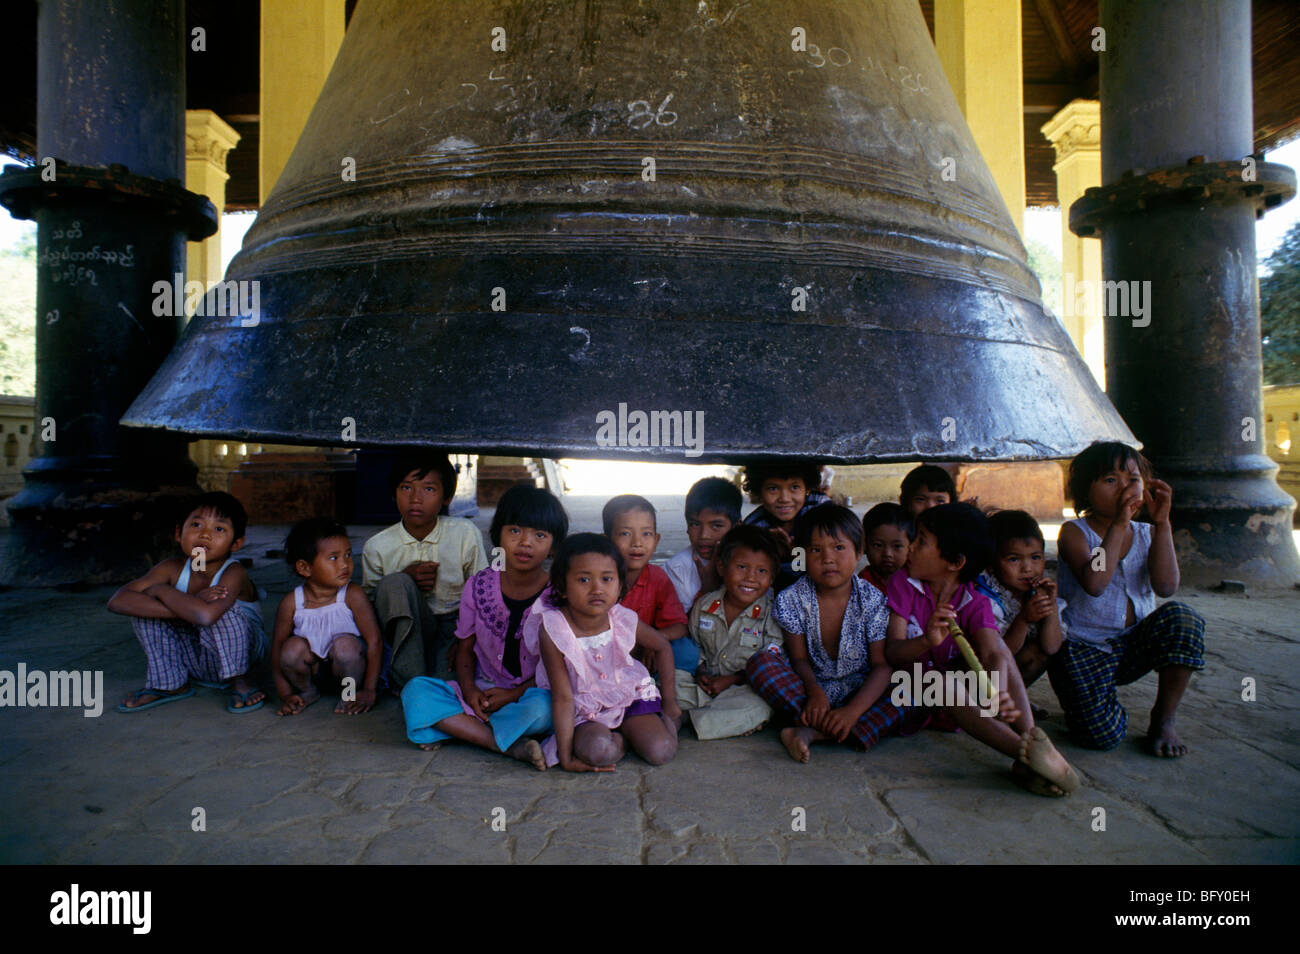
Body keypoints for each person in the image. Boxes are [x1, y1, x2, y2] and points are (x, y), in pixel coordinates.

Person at [884, 503, 1080, 796]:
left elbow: (993, 653)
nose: (909, 547)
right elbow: (892, 653)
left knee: (999, 649)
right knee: (945, 684)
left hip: (960, 702)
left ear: (954, 562)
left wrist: (994, 692)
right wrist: (926, 641)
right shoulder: (904, 583)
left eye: (921, 541)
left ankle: (1032, 737)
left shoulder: (974, 602)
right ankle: (1026, 754)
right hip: (906, 692)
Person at [1051, 442, 1205, 757]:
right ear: (1084, 491)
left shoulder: (1148, 532)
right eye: (1110, 480)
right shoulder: (1074, 532)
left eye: (1132, 479)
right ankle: (1092, 701)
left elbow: (1166, 586)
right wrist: (1119, 524)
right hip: (1085, 647)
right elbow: (1095, 583)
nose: (1124, 488)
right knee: (1101, 737)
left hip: (1133, 644)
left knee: (1183, 619)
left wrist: (1162, 523)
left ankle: (1163, 718)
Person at [400, 485, 567, 769]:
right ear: (498, 533)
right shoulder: (477, 586)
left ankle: (465, 730)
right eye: (515, 531)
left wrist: (513, 695)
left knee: (545, 709)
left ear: (553, 546)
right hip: (482, 690)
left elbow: (558, 666)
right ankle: (507, 745)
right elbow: (465, 649)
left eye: (539, 535)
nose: (525, 542)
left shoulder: (558, 596)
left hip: (529, 693)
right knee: (416, 691)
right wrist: (469, 692)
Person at [745, 504, 905, 763]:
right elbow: (798, 660)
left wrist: (853, 711)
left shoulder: (873, 600)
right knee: (760, 664)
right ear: (801, 554)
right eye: (816, 550)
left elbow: (881, 666)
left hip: (860, 690)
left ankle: (813, 732)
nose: (827, 558)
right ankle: (836, 726)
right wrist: (815, 693)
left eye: (839, 547)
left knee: (912, 690)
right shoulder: (792, 599)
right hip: (810, 693)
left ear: (859, 549)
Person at [524, 533, 680, 771]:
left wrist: (670, 703)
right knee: (599, 751)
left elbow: (662, 646)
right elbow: (563, 696)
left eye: (607, 579)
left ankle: (660, 723)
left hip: (630, 696)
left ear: (620, 585)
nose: (597, 588)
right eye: (584, 580)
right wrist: (566, 757)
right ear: (562, 587)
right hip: (585, 709)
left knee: (661, 751)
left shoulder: (622, 618)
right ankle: (626, 738)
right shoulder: (553, 628)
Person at [110, 492, 266, 714]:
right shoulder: (171, 568)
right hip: (198, 659)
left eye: (219, 529)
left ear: (236, 543)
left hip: (242, 655)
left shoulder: (234, 572)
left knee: (221, 609)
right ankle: (170, 684)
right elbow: (119, 601)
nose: (204, 535)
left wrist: (162, 591)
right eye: (196, 525)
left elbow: (206, 616)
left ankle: (241, 682)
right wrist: (189, 605)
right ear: (178, 533)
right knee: (142, 608)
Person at [361, 451, 487, 689]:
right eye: (406, 488)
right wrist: (404, 579)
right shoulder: (377, 546)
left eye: (429, 489)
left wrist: (466, 642)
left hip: (456, 627)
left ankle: (426, 680)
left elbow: (483, 593)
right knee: (394, 583)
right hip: (405, 629)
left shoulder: (464, 533)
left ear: (447, 497)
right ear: (394, 492)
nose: (415, 499)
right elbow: (368, 605)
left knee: (447, 689)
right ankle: (411, 681)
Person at [675, 525, 783, 740]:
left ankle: (685, 719)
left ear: (771, 578)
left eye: (761, 571)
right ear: (722, 567)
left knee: (760, 705)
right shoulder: (705, 606)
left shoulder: (772, 615)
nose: (751, 577)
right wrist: (702, 672)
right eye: (742, 567)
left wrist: (732, 680)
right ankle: (713, 719)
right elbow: (696, 647)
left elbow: (773, 662)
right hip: (704, 687)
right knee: (670, 681)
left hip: (742, 688)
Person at [270, 518, 383, 716]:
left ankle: (348, 695)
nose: (345, 564)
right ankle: (307, 691)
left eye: (348, 555)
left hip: (349, 672)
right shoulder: (291, 602)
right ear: (305, 568)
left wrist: (369, 690)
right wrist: (285, 694)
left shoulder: (352, 595)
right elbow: (277, 650)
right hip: (312, 672)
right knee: (290, 649)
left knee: (345, 647)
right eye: (333, 558)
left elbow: (375, 642)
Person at [974, 509, 1065, 692]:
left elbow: (1051, 647)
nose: (1027, 568)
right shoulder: (985, 597)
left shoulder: (1037, 590)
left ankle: (1015, 701)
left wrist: (1051, 604)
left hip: (1008, 669)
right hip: (978, 674)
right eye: (1014, 559)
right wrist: (1023, 619)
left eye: (1035, 557)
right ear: (991, 564)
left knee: (1038, 653)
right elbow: (996, 655)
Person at [602, 494, 694, 673]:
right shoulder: (597, 577)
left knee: (686, 651)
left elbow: (680, 626)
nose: (637, 543)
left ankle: (664, 687)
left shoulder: (657, 578)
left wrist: (655, 640)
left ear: (656, 540)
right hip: (602, 655)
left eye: (646, 534)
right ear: (607, 540)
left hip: (643, 653)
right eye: (625, 534)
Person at [741, 459, 830, 590]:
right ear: (759, 492)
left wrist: (795, 555)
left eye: (794, 487)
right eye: (773, 488)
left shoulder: (819, 507)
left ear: (807, 488)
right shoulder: (754, 528)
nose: (785, 498)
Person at [664, 476, 742, 616]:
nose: (704, 535)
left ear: (736, 527)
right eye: (695, 524)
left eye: (716, 526)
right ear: (687, 526)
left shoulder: (751, 563)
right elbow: (681, 626)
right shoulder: (676, 568)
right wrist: (707, 591)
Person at [859, 502, 912, 593]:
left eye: (897, 546)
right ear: (865, 545)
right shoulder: (862, 583)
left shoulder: (916, 581)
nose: (887, 554)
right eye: (878, 545)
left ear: (911, 546)